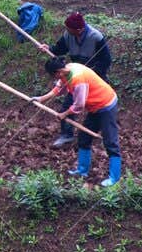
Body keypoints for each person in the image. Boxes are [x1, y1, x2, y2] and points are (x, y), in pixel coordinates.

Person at [35, 56, 122, 186]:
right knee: (84, 137)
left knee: (110, 142)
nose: (56, 78)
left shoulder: (78, 78)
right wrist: (41, 99)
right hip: (94, 108)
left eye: (55, 75)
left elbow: (79, 105)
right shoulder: (66, 72)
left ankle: (114, 178)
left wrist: (64, 114)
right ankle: (82, 171)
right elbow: (58, 89)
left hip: (106, 105)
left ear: (58, 72)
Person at [47, 12, 111, 147]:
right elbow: (60, 49)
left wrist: (90, 75)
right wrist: (49, 49)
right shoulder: (68, 35)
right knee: (67, 105)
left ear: (79, 30)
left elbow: (106, 60)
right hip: (76, 76)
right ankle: (67, 135)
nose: (66, 31)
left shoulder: (96, 37)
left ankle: (104, 135)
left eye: (69, 29)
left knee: (100, 108)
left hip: (94, 77)